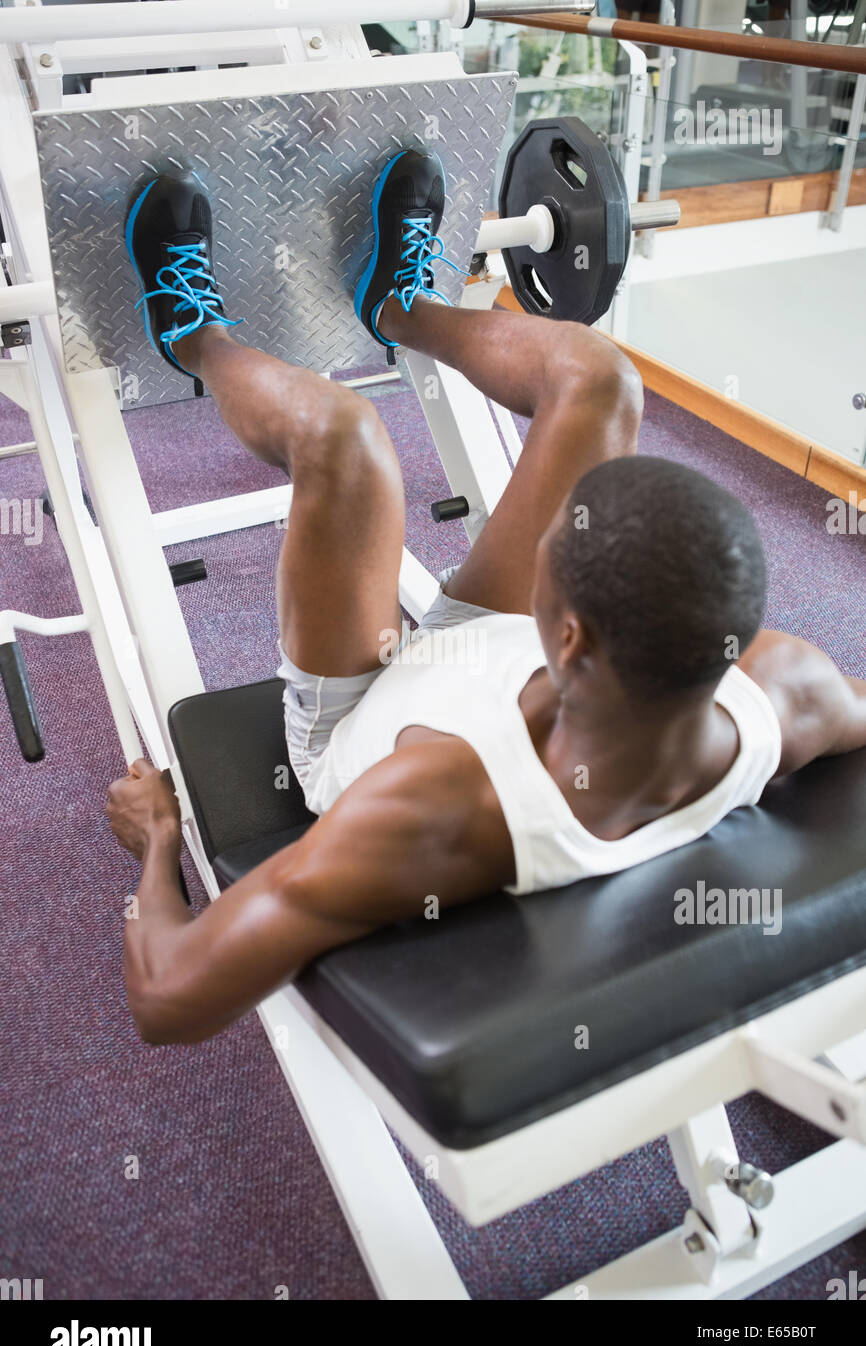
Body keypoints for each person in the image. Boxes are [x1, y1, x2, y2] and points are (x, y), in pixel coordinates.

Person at [108, 150, 866, 1045]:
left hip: (369, 718)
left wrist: (159, 837)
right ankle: (399, 305)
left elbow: (169, 996)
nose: (534, 527)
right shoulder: (787, 685)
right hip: (510, 663)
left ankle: (193, 334)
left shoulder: (429, 810)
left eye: (556, 545)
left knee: (343, 437)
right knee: (602, 381)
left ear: (572, 639)